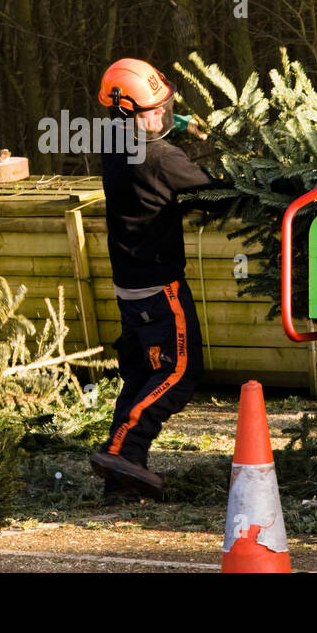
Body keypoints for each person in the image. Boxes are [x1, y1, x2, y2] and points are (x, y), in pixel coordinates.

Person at [89, 57, 218, 499]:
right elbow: (215, 192)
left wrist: (177, 122)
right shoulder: (160, 157)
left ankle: (123, 477)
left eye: (165, 108)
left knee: (142, 374)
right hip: (161, 289)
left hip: (129, 285)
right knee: (179, 373)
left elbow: (153, 127)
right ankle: (122, 449)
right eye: (153, 111)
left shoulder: (110, 140)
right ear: (127, 112)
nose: (162, 117)